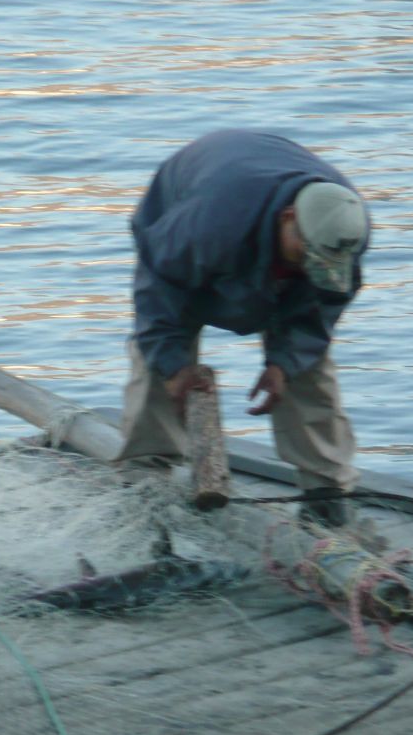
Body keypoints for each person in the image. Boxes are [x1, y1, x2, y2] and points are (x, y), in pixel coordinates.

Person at [119, 129, 370, 527]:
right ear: (288, 219)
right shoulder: (208, 224)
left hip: (257, 221)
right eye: (308, 256)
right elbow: (157, 289)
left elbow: (321, 311)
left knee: (309, 370)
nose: (313, 268)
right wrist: (172, 366)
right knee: (159, 363)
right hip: (188, 210)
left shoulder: (344, 229)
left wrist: (283, 365)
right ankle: (146, 477)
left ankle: (326, 491)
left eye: (324, 264)